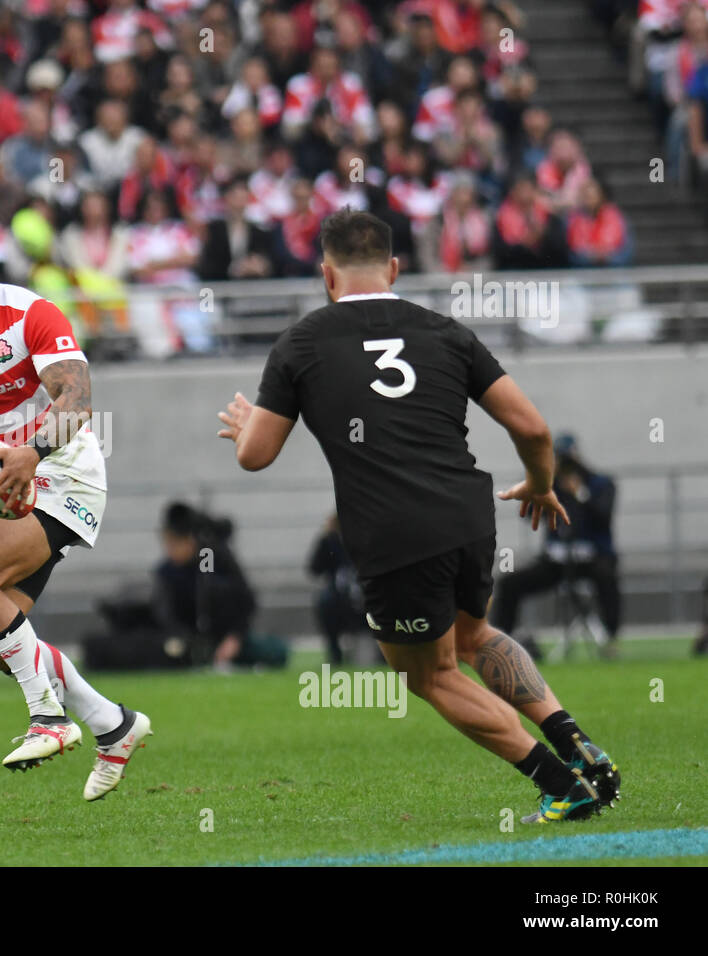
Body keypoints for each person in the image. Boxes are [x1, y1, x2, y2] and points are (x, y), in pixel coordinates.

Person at [217, 209, 619, 824]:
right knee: (473, 636)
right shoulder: (445, 331)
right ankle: (574, 740)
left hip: (392, 530)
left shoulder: (301, 341)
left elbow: (255, 457)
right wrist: (540, 484)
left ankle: (561, 783)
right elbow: (533, 428)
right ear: (396, 268)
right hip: (467, 512)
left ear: (327, 275)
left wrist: (248, 427)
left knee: (430, 676)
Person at [0, 199, 150, 801]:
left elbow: (75, 400)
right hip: (14, 484)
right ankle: (112, 724)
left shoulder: (32, 314)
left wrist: (29, 454)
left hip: (65, 472)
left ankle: (48, 717)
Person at [491, 434, 621, 650]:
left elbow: (603, 516)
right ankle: (501, 641)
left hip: (593, 558)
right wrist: (542, 482)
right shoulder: (550, 485)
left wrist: (579, 492)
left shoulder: (601, 484)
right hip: (556, 561)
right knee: (509, 583)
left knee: (607, 578)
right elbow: (528, 513)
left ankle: (611, 637)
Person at [153, 502, 256, 670]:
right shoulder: (167, 572)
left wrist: (235, 637)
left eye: (174, 544)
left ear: (189, 540)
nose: (169, 550)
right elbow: (165, 616)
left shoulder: (214, 559)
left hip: (226, 639)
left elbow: (245, 600)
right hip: (189, 643)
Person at [307, 514, 366, 667]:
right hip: (340, 598)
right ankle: (335, 652)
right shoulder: (330, 542)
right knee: (326, 602)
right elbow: (314, 568)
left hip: (367, 594)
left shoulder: (367, 537)